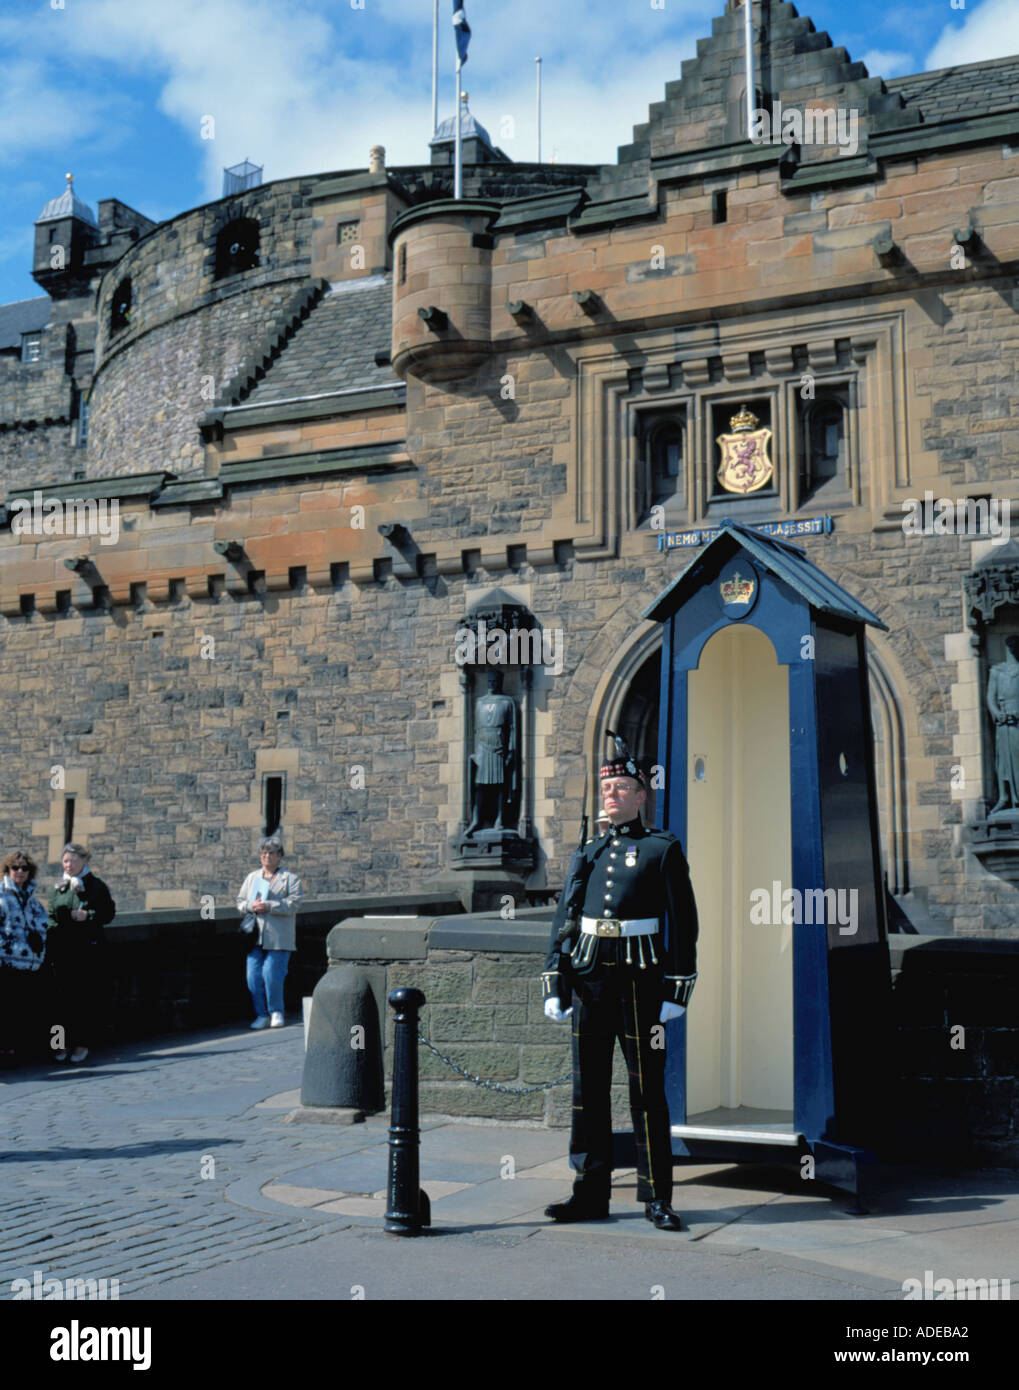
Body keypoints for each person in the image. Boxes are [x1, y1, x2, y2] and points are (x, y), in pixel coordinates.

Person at [542, 734, 698, 1231]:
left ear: (641, 795)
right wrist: (554, 979)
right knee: (587, 1090)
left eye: (621, 787)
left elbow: (683, 922)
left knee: (646, 1089)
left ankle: (655, 1197)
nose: (610, 795)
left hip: (641, 979)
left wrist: (678, 988)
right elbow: (564, 917)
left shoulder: (661, 849)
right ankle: (589, 1192)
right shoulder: (587, 851)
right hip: (589, 977)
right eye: (607, 788)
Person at [47, 842, 116, 1065]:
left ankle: (82, 1044)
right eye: (66, 861)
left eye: (74, 860)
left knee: (85, 999)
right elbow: (50, 913)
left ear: (84, 861)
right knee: (60, 1000)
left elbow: (108, 912)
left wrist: (89, 915)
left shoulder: (97, 886)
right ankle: (60, 1044)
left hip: (87, 950)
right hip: (62, 950)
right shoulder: (59, 887)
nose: (69, 865)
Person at [236, 835, 302, 1029]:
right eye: (263, 853)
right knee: (253, 977)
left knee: (271, 974)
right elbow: (240, 902)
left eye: (271, 853)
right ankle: (261, 1014)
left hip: (278, 938)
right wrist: (251, 906)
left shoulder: (290, 879)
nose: (266, 856)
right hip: (254, 937)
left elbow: (295, 904)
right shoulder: (252, 878)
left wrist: (270, 906)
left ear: (280, 855)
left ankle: (276, 1012)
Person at [0, 850, 49, 1064]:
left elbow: (43, 922)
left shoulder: (31, 899)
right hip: (7, 962)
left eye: (24, 868)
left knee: (20, 1011)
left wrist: (37, 940)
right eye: (15, 868)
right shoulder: (1, 895)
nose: (20, 872)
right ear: (7, 870)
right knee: (5, 1009)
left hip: (29, 964)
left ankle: (14, 1051)